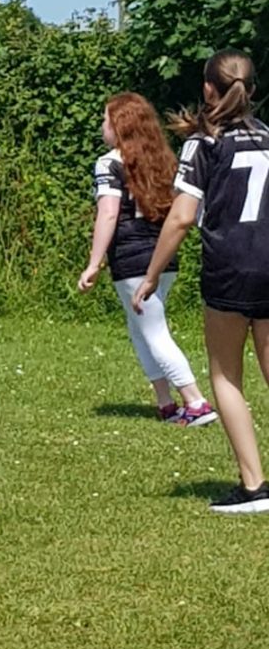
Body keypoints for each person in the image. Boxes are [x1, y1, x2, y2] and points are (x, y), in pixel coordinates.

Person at [134, 50, 269, 515]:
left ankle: (254, 486)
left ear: (210, 89)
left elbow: (182, 217)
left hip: (231, 267)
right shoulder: (268, 137)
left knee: (226, 375)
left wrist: (151, 275)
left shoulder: (205, 144)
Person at [78, 92, 216, 426]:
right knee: (140, 329)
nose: (101, 126)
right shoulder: (163, 162)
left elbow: (108, 215)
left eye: (105, 120)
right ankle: (165, 402)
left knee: (153, 331)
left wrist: (94, 263)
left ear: (120, 127)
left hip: (131, 259)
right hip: (162, 259)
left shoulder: (108, 162)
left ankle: (196, 402)